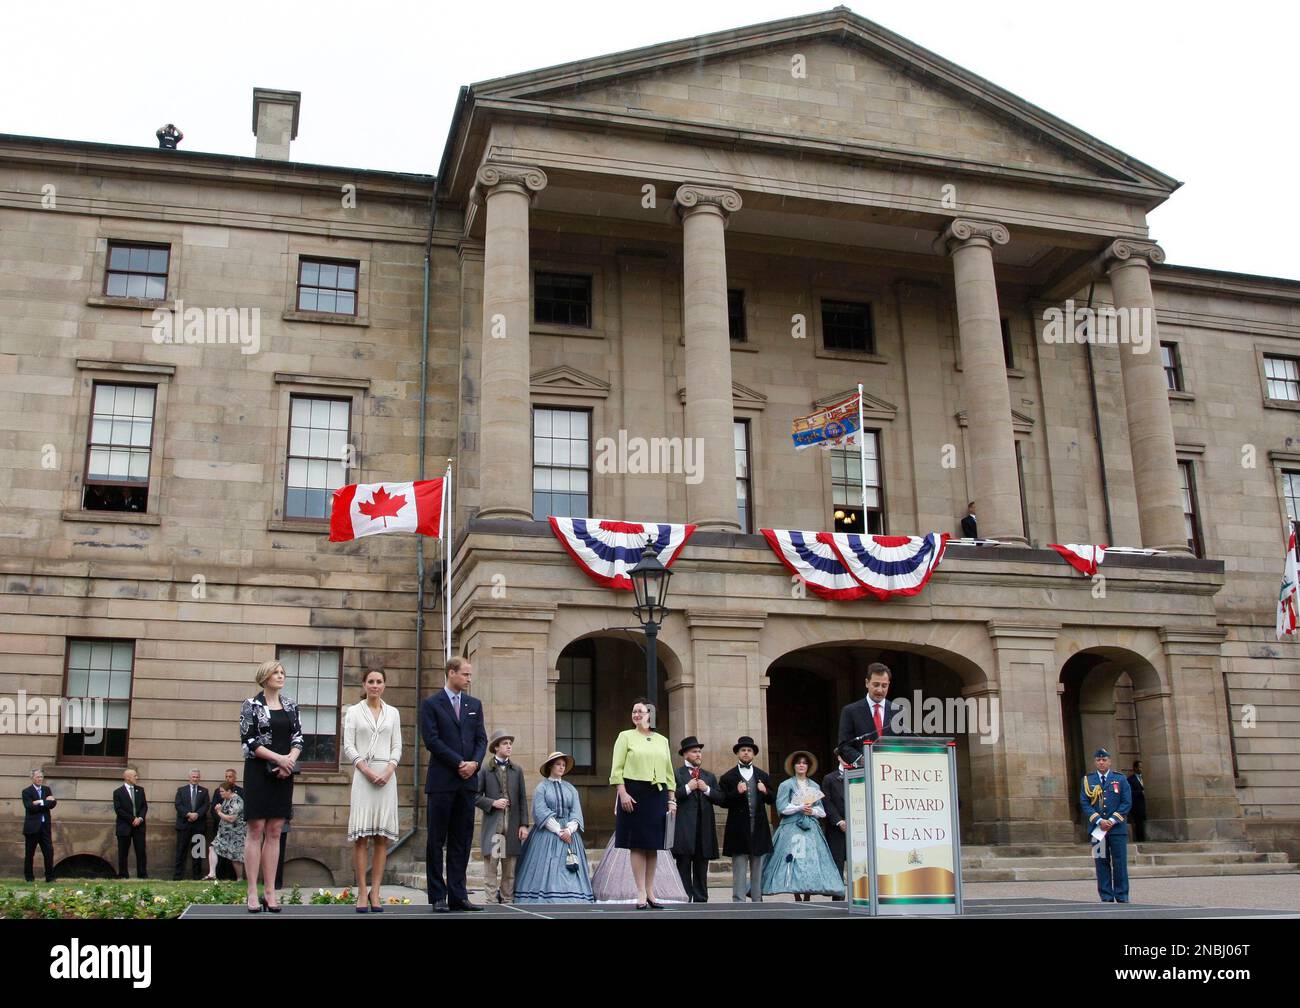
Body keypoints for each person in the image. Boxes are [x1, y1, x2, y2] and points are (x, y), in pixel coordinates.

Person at [420, 656, 487, 913]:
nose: (469, 679)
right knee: (437, 839)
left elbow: (481, 739)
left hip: (468, 783)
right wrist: (459, 762)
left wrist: (475, 764)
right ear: (451, 673)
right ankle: (438, 895)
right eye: (466, 674)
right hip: (442, 781)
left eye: (470, 675)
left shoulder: (474, 704)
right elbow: (432, 740)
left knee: (462, 839)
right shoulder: (432, 704)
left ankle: (458, 895)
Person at [239, 658, 303, 913]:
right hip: (258, 771)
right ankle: (252, 892)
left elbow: (298, 737)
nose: (280, 676)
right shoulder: (251, 705)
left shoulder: (291, 705)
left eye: (282, 672)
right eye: (275, 672)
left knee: (275, 830)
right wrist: (278, 758)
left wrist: (289, 761)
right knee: (256, 829)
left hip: (284, 773)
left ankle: (270, 892)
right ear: (264, 677)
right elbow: (249, 741)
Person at [609, 697, 677, 909]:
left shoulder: (662, 740)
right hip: (634, 792)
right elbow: (617, 768)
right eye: (634, 711)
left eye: (640, 711)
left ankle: (650, 891)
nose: (636, 715)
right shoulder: (625, 736)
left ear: (650, 714)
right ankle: (639, 891)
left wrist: (671, 799)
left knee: (653, 845)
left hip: (657, 794)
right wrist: (622, 793)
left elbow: (668, 772)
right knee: (637, 844)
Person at [344, 668, 402, 913]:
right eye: (371, 681)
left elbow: (397, 745)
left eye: (379, 681)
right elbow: (348, 745)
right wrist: (367, 770)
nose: (375, 685)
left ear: (384, 685)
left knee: (382, 838)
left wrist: (389, 770)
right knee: (361, 838)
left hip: (387, 778)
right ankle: (361, 891)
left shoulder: (393, 713)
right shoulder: (354, 712)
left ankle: (375, 891)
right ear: (364, 684)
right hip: (363, 777)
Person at [513, 752, 594, 903]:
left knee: (570, 864)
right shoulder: (542, 788)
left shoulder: (570, 788)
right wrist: (558, 830)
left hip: (570, 833)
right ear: (550, 766)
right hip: (547, 832)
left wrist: (569, 829)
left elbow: (576, 811)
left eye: (563, 765)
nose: (561, 767)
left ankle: (574, 895)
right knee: (548, 864)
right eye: (558, 764)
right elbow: (540, 810)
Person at [762, 751, 844, 900]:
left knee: (810, 859)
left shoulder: (814, 785)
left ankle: (808, 893)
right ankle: (796, 894)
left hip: (811, 828)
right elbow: (781, 808)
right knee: (794, 858)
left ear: (808, 767)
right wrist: (799, 807)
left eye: (804, 763)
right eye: (798, 763)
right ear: (793, 766)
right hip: (791, 828)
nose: (801, 765)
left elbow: (822, 811)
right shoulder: (786, 785)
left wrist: (811, 810)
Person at [475, 731, 530, 905]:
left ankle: (507, 901)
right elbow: (474, 796)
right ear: (496, 747)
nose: (509, 746)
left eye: (510, 743)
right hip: (494, 829)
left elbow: (522, 799)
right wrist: (493, 803)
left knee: (509, 870)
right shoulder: (485, 769)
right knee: (491, 868)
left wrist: (524, 825)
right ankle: (491, 902)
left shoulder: (517, 770)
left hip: (512, 828)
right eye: (505, 743)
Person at [719, 735, 775, 902]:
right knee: (739, 866)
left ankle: (757, 898)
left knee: (758, 866)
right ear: (738, 753)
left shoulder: (762, 775)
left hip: (758, 827)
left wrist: (765, 791)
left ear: (753, 754)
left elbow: (772, 799)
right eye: (743, 750)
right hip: (738, 828)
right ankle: (738, 899)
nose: (746, 753)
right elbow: (722, 801)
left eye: (749, 750)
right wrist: (737, 792)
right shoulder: (728, 777)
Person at [672, 735, 724, 902]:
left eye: (700, 752)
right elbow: (671, 796)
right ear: (685, 754)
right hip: (684, 830)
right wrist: (688, 787)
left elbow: (721, 798)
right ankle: (684, 898)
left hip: (704, 830)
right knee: (683, 867)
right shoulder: (676, 774)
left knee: (702, 867)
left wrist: (707, 788)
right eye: (694, 752)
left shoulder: (708, 776)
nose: (698, 755)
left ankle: (701, 899)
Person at [1080, 747, 1131, 903]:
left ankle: (1122, 895)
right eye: (1098, 760)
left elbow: (1126, 802)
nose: (1101, 763)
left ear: (1109, 761)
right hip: (1097, 830)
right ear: (1095, 762)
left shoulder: (1120, 779)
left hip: (1117, 829)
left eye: (1104, 760)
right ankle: (1106, 896)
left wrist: (1112, 820)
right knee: (1101, 861)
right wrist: (1099, 821)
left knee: (1119, 862)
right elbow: (1084, 803)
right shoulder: (1088, 780)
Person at [837, 662, 898, 765]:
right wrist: (861, 760)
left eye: (884, 686)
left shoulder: (898, 711)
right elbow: (844, 746)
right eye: (876, 685)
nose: (880, 690)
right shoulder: (850, 711)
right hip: (863, 773)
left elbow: (905, 742)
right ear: (867, 683)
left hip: (892, 772)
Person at [173, 768, 209, 880]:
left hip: (198, 826)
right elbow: (178, 805)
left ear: (200, 778)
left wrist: (197, 814)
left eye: (197, 777)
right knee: (181, 851)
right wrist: (188, 814)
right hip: (184, 825)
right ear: (189, 778)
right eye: (193, 777)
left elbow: (206, 805)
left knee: (198, 853)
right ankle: (178, 876)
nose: (195, 779)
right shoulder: (181, 790)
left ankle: (197, 876)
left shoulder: (204, 791)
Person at [208, 768, 244, 880]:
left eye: (222, 792)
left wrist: (219, 812)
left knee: (235, 858)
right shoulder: (226, 799)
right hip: (224, 833)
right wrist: (219, 809)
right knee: (212, 848)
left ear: (229, 791)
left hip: (235, 834)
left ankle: (240, 878)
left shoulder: (237, 800)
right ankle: (212, 873)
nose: (220, 794)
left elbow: (232, 818)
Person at [21, 769, 56, 883]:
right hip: (32, 828)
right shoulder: (26, 791)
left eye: (41, 777)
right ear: (32, 778)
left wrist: (38, 802)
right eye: (37, 777)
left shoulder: (46, 789)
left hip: (45, 827)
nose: (40, 779)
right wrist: (44, 802)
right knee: (30, 853)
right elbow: (30, 807)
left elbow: (53, 803)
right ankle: (29, 877)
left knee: (49, 852)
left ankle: (49, 877)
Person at [821, 757, 849, 896]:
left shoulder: (863, 774)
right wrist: (839, 821)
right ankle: (838, 898)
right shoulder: (829, 778)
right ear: (838, 757)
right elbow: (826, 802)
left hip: (859, 827)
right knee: (837, 862)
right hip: (837, 828)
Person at [113, 768, 148, 879]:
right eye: (135, 776)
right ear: (127, 777)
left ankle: (142, 875)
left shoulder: (140, 790)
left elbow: (144, 806)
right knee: (123, 852)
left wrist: (140, 818)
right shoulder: (118, 792)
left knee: (141, 851)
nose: (136, 778)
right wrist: (132, 819)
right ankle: (123, 874)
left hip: (139, 826)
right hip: (124, 826)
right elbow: (119, 810)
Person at [1127, 760, 1147, 843]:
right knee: (1139, 823)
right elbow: (1130, 792)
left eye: (1142, 767)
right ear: (1135, 768)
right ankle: (1140, 839)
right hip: (1137, 805)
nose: (1141, 769)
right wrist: (1140, 792)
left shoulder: (1145, 777)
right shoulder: (1130, 779)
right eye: (1139, 767)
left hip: (1145, 804)